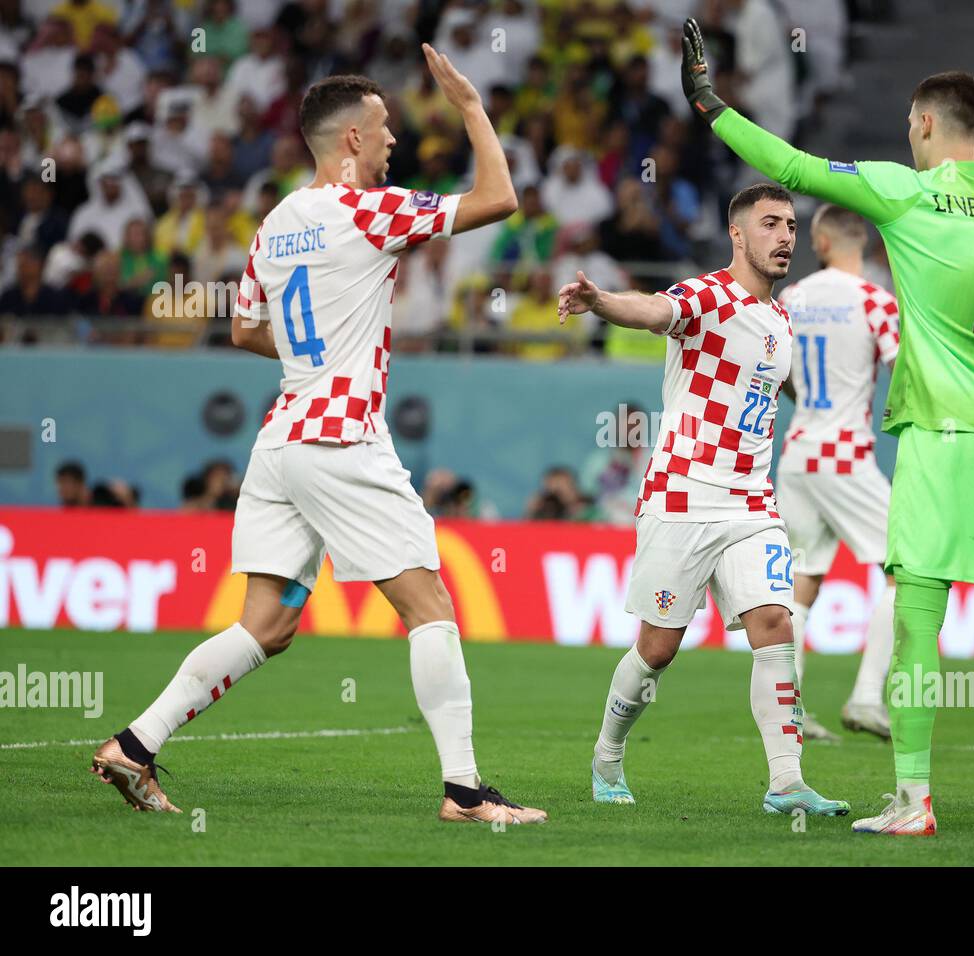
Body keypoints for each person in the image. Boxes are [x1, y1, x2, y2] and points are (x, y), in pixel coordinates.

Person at [680, 18, 974, 841]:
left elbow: (788, 167)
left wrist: (711, 105)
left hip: (940, 434)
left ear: (924, 125)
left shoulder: (904, 189)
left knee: (918, 614)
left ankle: (914, 800)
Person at [90, 46, 546, 826]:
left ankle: (135, 744)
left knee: (266, 623)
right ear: (351, 143)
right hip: (341, 440)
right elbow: (499, 199)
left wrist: (315, 349)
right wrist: (470, 106)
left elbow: (241, 328)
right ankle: (466, 794)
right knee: (430, 606)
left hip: (280, 441)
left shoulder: (275, 223)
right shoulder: (369, 210)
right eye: (384, 127)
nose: (394, 140)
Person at [558, 182, 849, 818]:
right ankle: (607, 753)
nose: (786, 237)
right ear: (738, 235)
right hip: (682, 496)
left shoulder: (780, 320)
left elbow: (775, 385)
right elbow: (653, 311)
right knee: (658, 648)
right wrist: (599, 301)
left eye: (793, 226)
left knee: (775, 625)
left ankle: (786, 781)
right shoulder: (708, 296)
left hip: (751, 503)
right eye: (771, 224)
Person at [776, 203, 900, 742]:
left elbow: (773, 369)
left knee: (803, 579)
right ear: (865, 246)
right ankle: (867, 697)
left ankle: (789, 713)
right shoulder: (875, 301)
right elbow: (904, 370)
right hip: (845, 454)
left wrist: (804, 399)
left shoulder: (791, 298)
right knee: (909, 567)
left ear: (822, 243)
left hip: (798, 452)